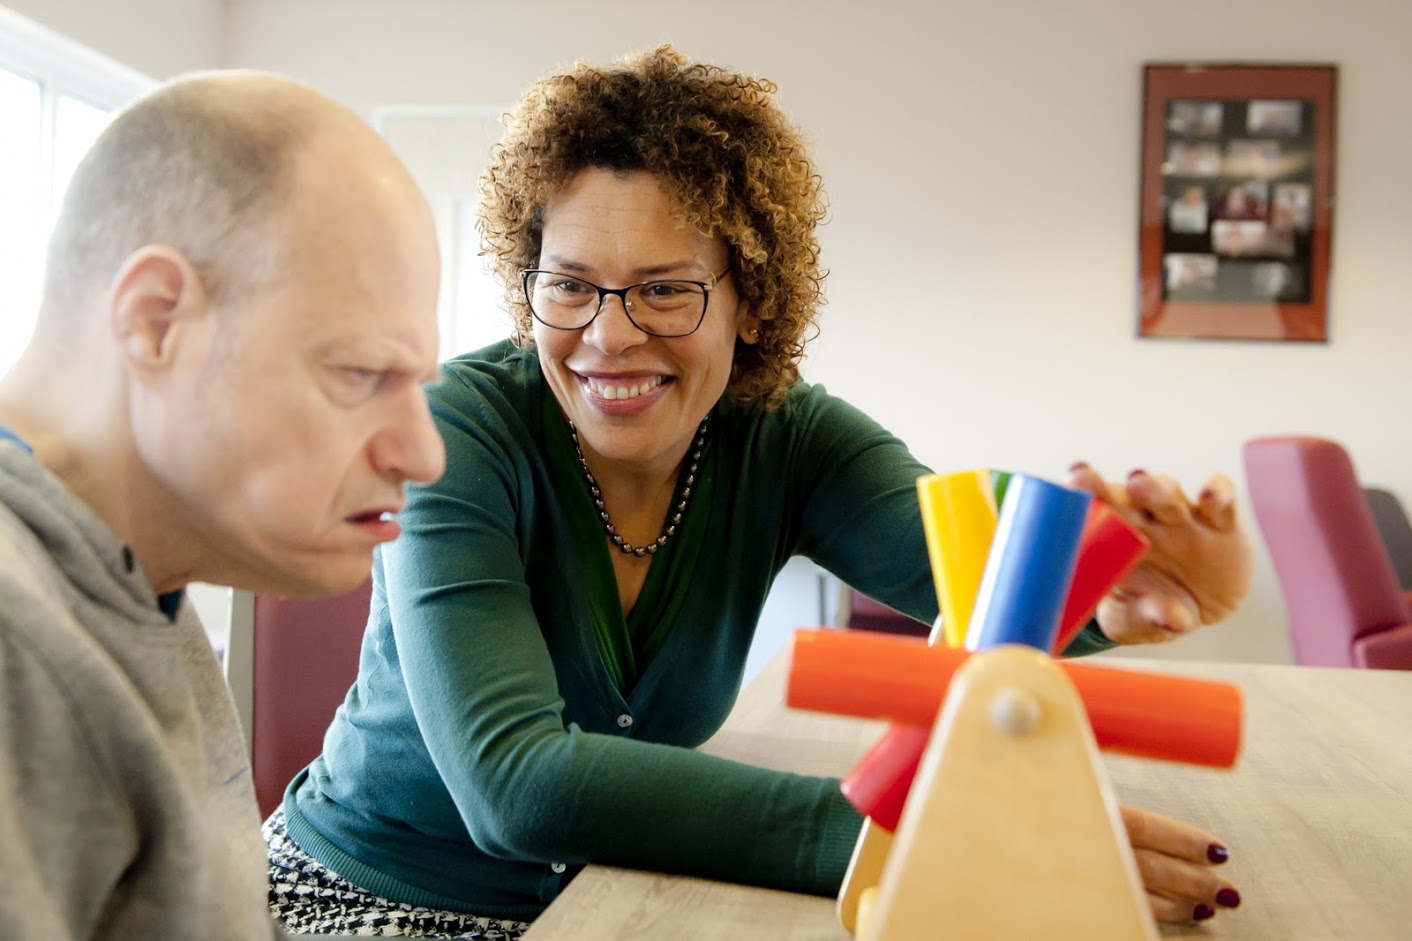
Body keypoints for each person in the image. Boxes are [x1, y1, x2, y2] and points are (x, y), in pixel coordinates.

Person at [270, 46, 1253, 937]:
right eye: (567, 285)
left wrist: (1121, 593)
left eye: (664, 289)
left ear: (750, 299)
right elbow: (516, 785)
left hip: (617, 899)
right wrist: (920, 836)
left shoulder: (788, 437)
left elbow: (990, 599)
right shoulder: (460, 430)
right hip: (368, 896)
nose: (608, 335)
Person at [0, 70, 446, 939]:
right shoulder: (17, 642)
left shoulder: (137, 574)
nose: (423, 453)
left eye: (419, 385)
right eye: (361, 374)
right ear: (158, 321)